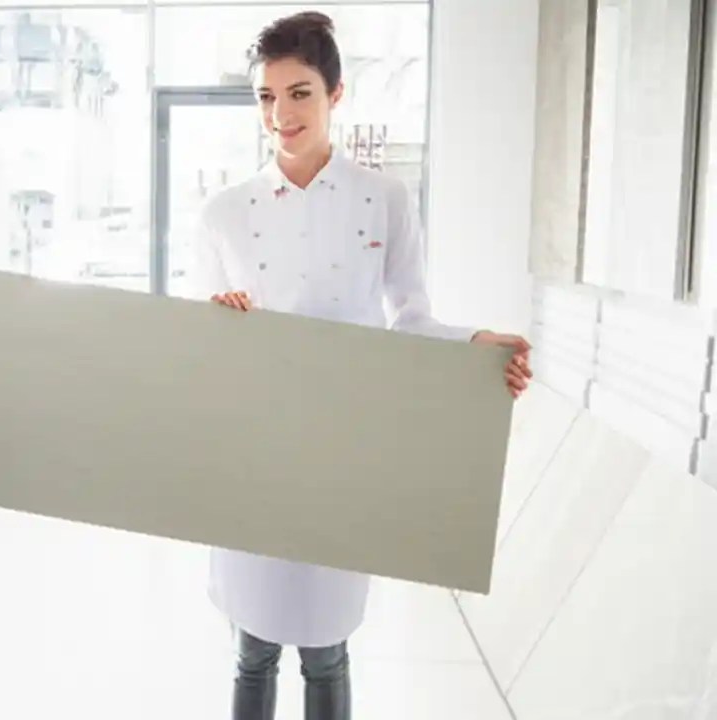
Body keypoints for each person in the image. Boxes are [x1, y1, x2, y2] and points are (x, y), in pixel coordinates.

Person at [191, 12, 532, 720]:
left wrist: (476, 347)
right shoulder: (223, 211)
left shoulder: (384, 198)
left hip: (344, 450)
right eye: (265, 97)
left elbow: (411, 320)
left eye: (299, 94)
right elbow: (201, 342)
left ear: (336, 94)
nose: (280, 115)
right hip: (256, 449)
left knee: (328, 648)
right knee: (252, 646)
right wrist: (218, 317)